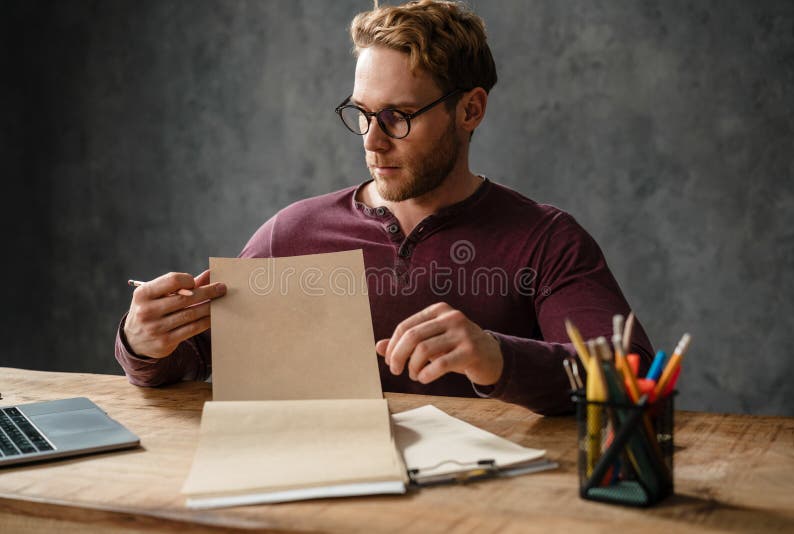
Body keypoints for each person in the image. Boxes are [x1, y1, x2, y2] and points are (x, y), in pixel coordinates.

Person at [115, 0, 653, 415]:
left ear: (471, 109)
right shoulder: (291, 234)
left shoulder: (545, 239)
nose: (372, 142)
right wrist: (143, 340)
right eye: (362, 113)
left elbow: (631, 376)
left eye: (398, 116)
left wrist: (496, 357)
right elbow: (187, 364)